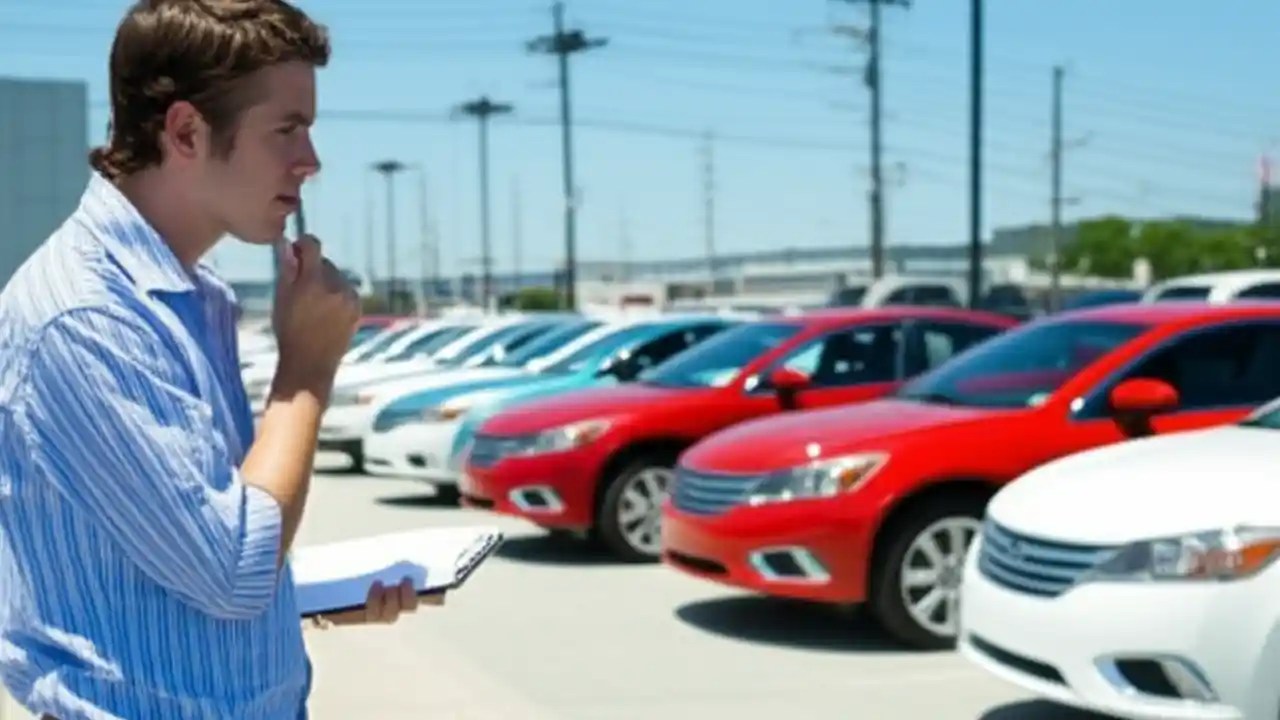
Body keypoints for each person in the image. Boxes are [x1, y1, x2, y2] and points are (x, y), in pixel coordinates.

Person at [0, 1, 423, 718]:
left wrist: (305, 598)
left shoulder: (191, 298)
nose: (311, 162)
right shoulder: (86, 317)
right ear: (187, 131)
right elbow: (234, 570)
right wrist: (306, 374)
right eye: (287, 130)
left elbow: (175, 560)